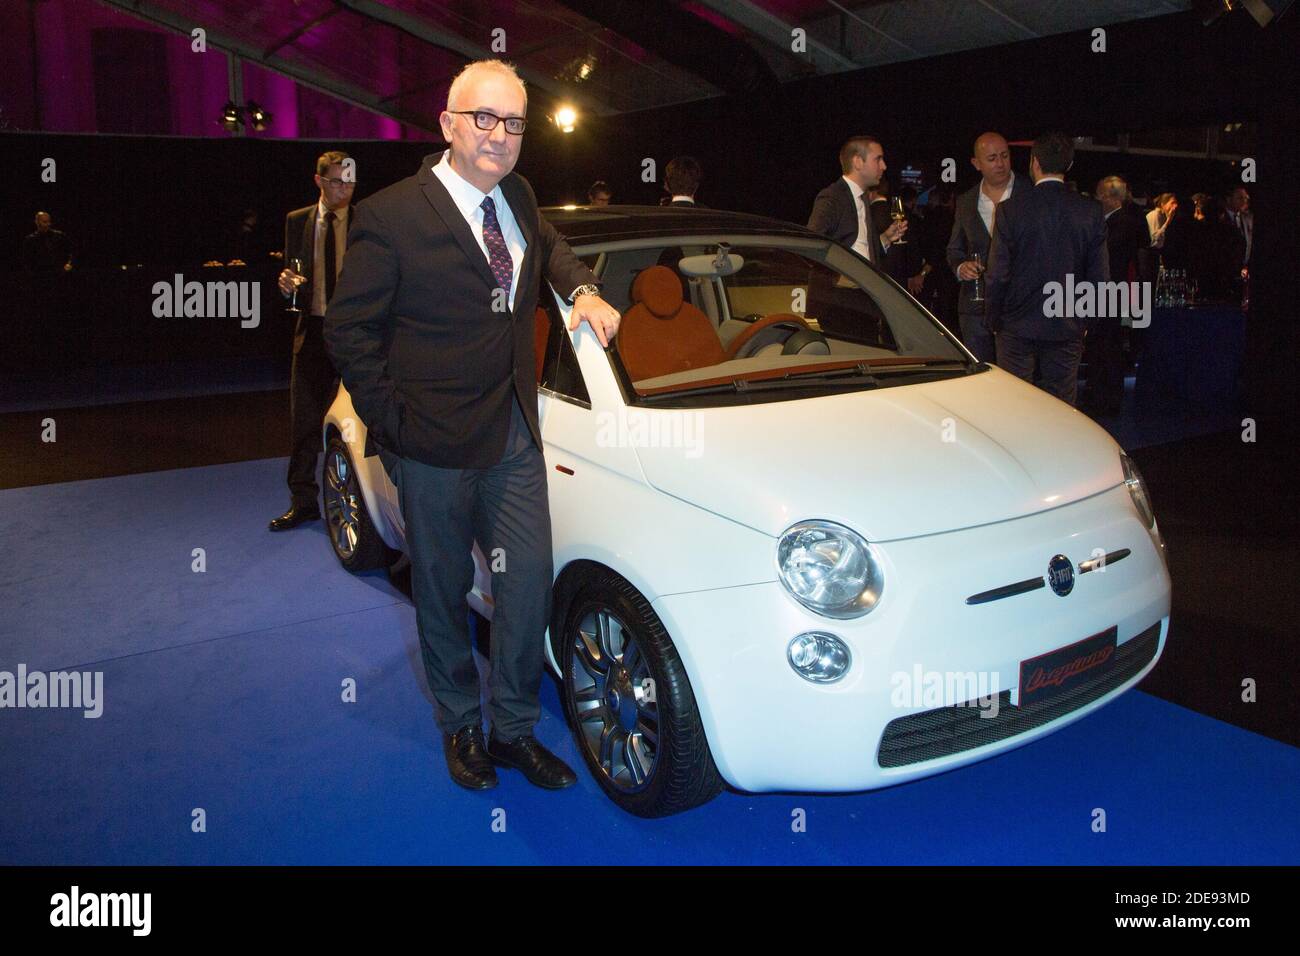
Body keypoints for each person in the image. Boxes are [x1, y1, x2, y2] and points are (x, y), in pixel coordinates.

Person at [324, 59, 621, 792]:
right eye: (484, 119)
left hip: (514, 439)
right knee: (443, 590)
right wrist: (395, 426)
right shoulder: (391, 215)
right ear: (450, 124)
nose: (500, 134)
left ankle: (514, 729)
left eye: (514, 122)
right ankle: (461, 724)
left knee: (524, 591)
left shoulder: (517, 195)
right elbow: (350, 332)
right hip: (431, 448)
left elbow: (551, 248)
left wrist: (581, 289)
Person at [984, 132, 1107, 405]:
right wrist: (1086, 322)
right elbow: (1099, 279)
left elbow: (997, 275)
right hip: (1067, 324)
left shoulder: (1010, 210)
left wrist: (994, 319)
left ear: (1034, 162)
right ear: (1070, 164)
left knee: (1014, 403)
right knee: (1061, 406)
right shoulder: (1090, 212)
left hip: (1016, 325)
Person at [268, 150, 356, 532]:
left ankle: (370, 502)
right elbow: (292, 272)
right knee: (304, 424)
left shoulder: (367, 220)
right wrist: (285, 282)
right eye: (338, 181)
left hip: (356, 336)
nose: (345, 189)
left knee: (363, 423)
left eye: (351, 181)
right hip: (313, 333)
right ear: (319, 181)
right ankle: (303, 502)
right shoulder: (298, 221)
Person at [945, 131, 1017, 363]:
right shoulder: (967, 201)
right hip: (975, 307)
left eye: (1004, 156)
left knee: (1018, 380)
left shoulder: (1029, 193)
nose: (1000, 163)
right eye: (992, 158)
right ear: (977, 164)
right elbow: (954, 249)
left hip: (1018, 306)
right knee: (980, 376)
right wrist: (960, 267)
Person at [1082, 176, 1144, 415]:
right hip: (1109, 293)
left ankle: (1105, 398)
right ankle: (1100, 394)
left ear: (1111, 197)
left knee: (1107, 347)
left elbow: (1107, 258)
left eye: (1100, 194)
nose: (1097, 199)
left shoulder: (1122, 224)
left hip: (1111, 294)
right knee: (1102, 346)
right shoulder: (1114, 222)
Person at [807, 135, 907, 266]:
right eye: (878, 159)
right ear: (858, 162)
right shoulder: (832, 197)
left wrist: (885, 239)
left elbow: (861, 248)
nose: (884, 166)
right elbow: (811, 247)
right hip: (840, 286)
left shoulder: (863, 198)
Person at [21, 211, 72, 277]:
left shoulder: (59, 236)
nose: (48, 224)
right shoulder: (30, 240)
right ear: (37, 222)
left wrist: (68, 264)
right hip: (39, 276)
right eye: (44, 222)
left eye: (48, 222)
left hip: (59, 275)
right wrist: (33, 274)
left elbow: (69, 251)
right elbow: (26, 260)